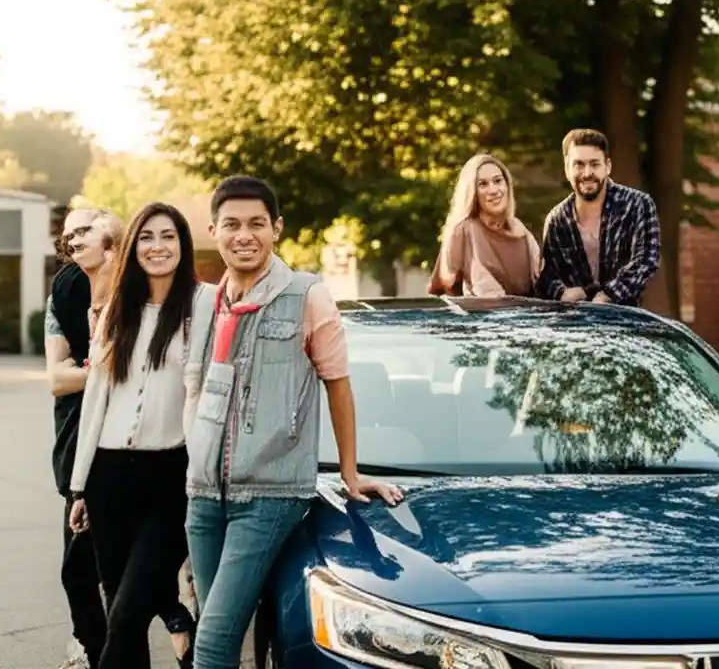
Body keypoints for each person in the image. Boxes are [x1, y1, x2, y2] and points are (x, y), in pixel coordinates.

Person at [182, 176, 403, 668]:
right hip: (203, 495)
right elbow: (193, 393)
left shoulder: (308, 295)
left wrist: (350, 472)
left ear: (276, 228)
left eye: (257, 224)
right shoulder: (203, 303)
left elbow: (338, 384)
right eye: (233, 225)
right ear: (214, 229)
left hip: (270, 496)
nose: (245, 235)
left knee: (214, 643)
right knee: (215, 627)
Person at [66, 203, 200, 669]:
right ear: (133, 247)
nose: (157, 246)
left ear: (183, 246)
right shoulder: (117, 310)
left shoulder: (201, 308)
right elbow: (96, 401)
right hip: (109, 477)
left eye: (168, 236)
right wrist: (80, 486)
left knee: (125, 615)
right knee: (120, 612)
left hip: (171, 478)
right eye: (146, 237)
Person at [44, 207, 121, 669]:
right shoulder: (66, 291)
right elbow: (57, 378)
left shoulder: (140, 288)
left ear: (110, 239)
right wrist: (101, 370)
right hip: (77, 442)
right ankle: (97, 650)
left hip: (135, 445)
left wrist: (89, 370)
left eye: (83, 229)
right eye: (68, 233)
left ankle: (174, 624)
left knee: (123, 569)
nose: (72, 239)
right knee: (78, 572)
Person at [537, 128, 661, 306]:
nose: (587, 173)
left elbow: (646, 260)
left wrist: (607, 295)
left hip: (626, 319)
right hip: (576, 325)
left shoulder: (637, 205)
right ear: (567, 169)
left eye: (594, 164)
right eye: (579, 164)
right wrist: (562, 292)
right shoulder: (557, 220)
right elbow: (548, 275)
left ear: (607, 167)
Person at [428, 153, 541, 297]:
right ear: (472, 192)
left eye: (498, 181)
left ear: (507, 185)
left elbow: (543, 285)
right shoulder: (464, 230)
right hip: (481, 318)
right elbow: (444, 288)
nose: (493, 190)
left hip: (526, 318)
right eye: (483, 184)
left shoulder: (522, 233)